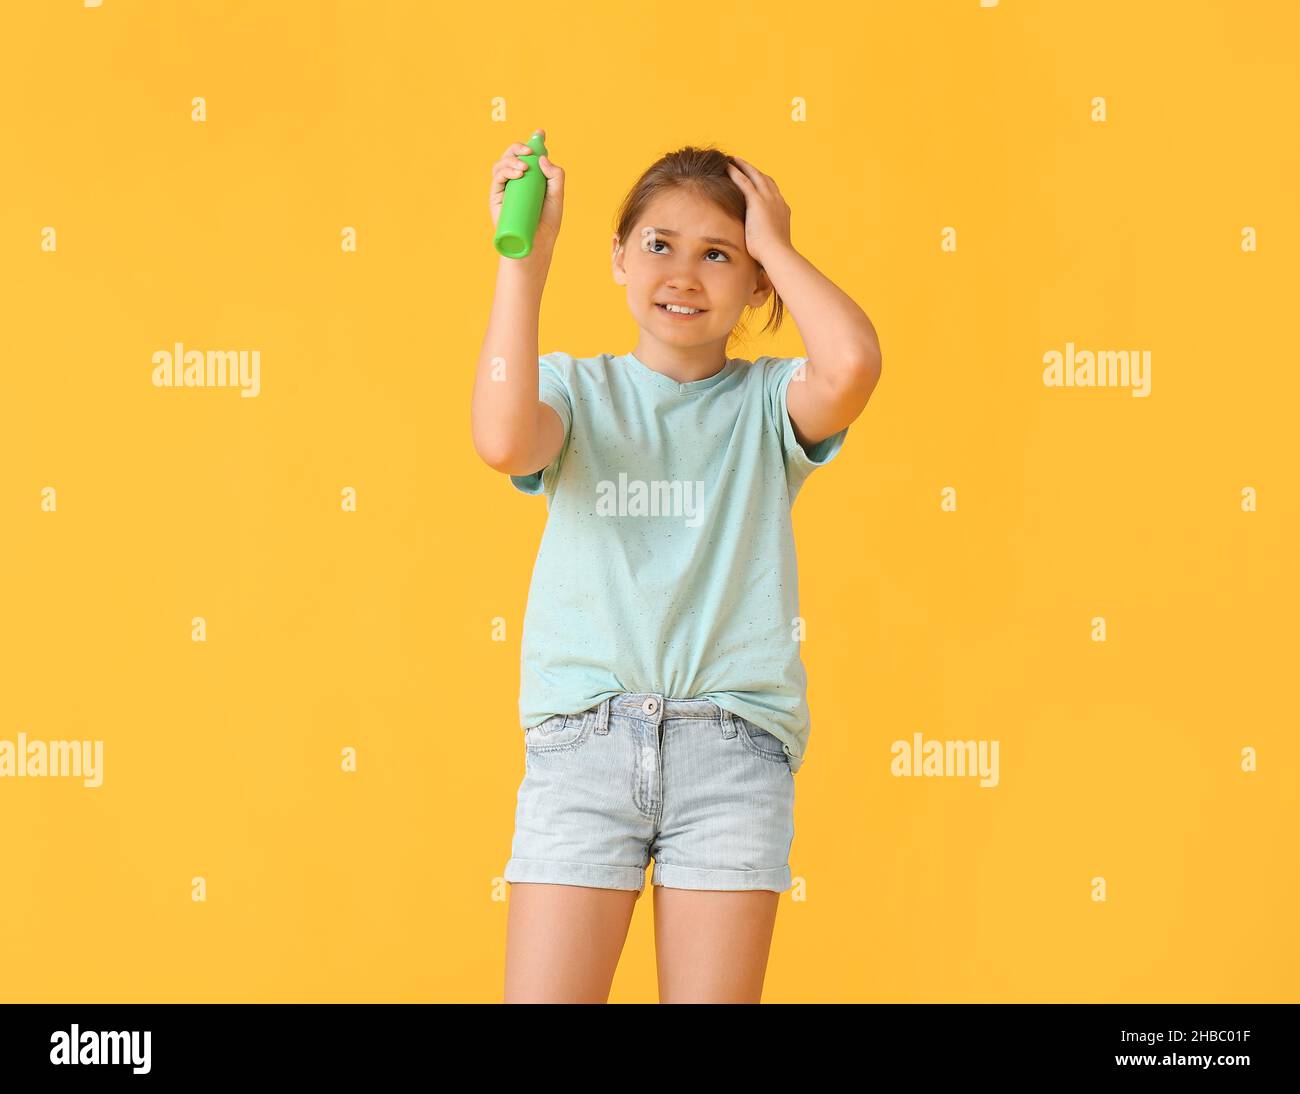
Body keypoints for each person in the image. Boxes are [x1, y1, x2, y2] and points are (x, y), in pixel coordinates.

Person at [472, 130, 882, 1002]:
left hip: (731, 754)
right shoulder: (575, 392)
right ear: (619, 258)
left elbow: (851, 364)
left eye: (720, 255)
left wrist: (777, 239)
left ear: (757, 283)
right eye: (659, 245)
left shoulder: (770, 404)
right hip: (583, 746)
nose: (684, 275)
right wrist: (524, 267)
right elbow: (504, 440)